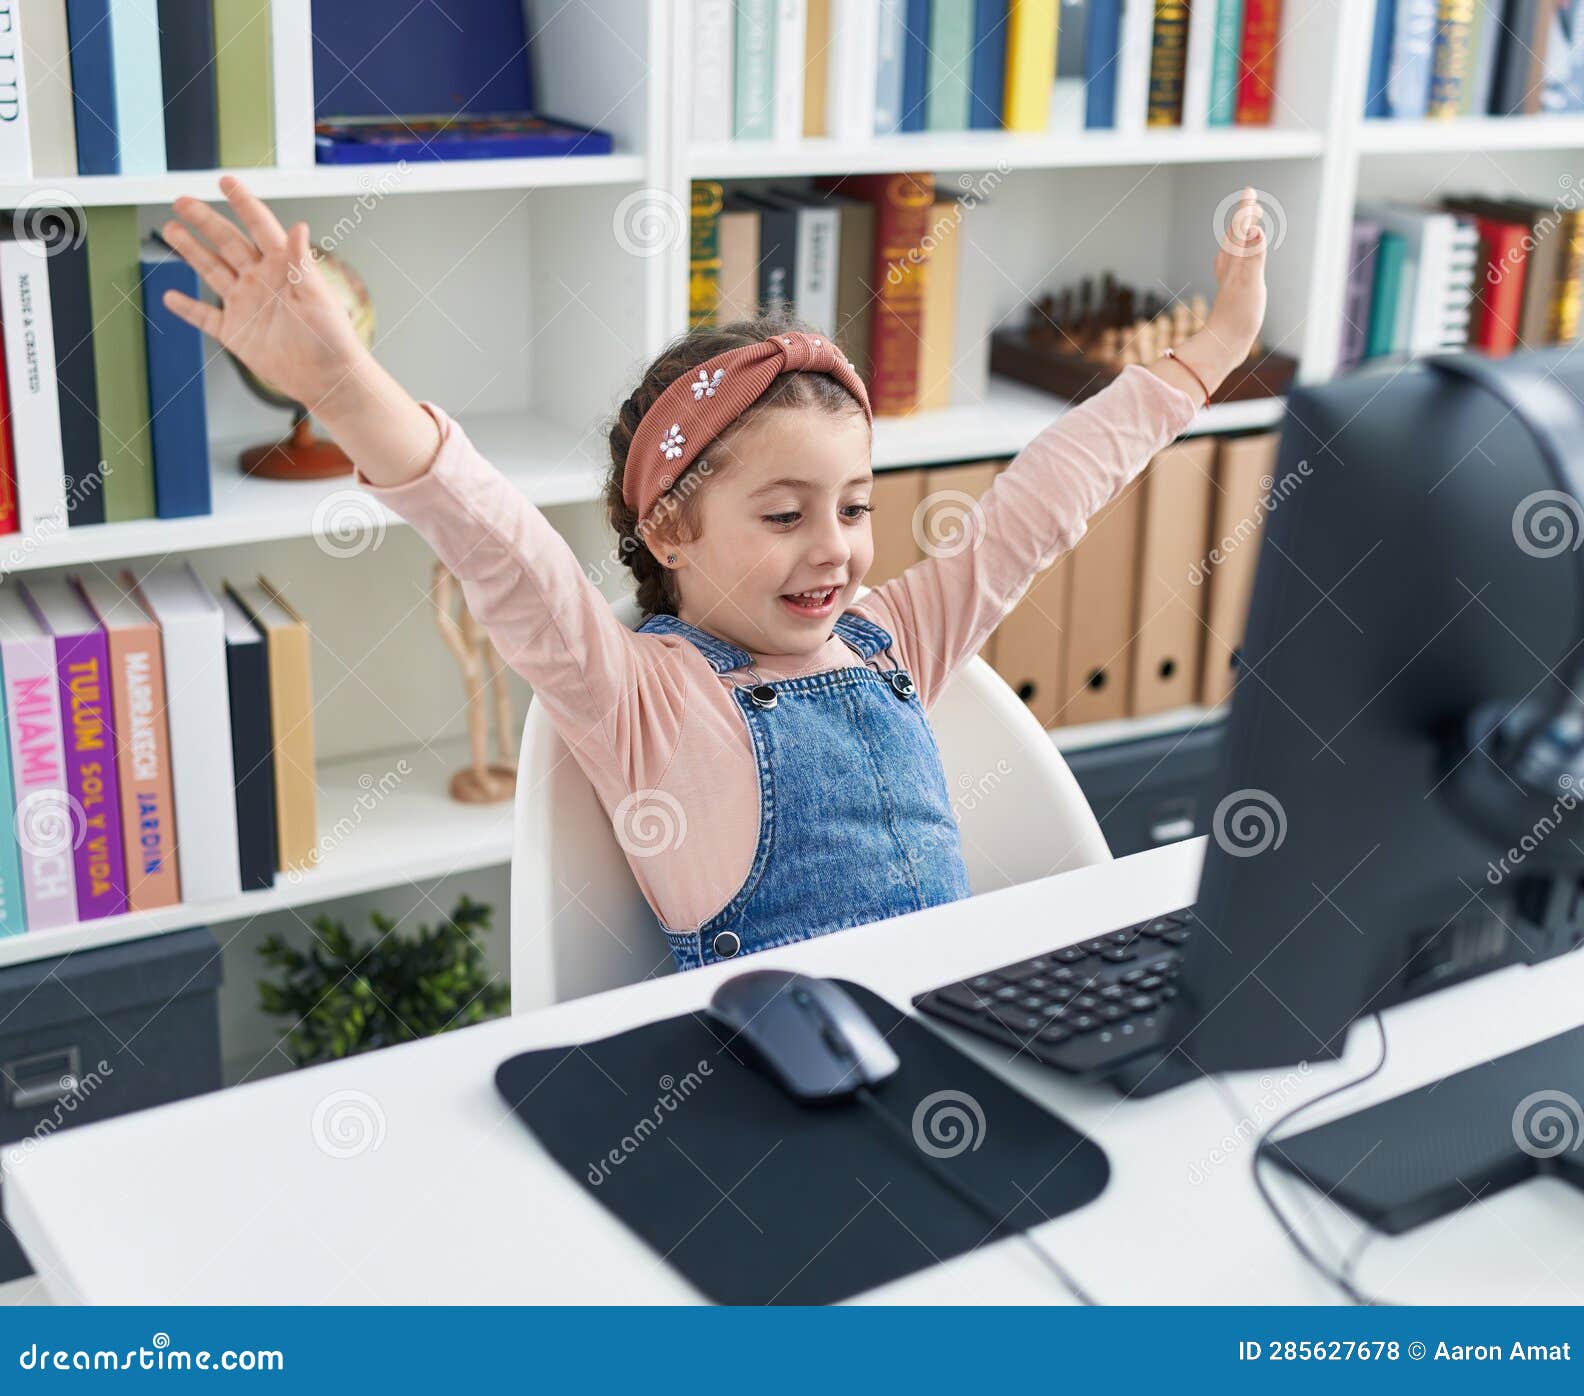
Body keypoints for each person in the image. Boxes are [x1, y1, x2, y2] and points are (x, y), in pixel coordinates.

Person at [157, 177, 1267, 972]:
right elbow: (495, 540)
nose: (832, 545)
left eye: (854, 507)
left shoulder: (898, 640)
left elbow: (1045, 497)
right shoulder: (635, 695)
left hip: (966, 1033)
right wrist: (344, 390)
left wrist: (1207, 352)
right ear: (671, 529)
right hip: (781, 1095)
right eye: (783, 514)